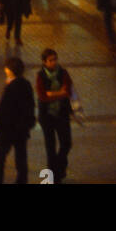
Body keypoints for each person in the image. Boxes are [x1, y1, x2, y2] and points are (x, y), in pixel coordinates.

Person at [0, 56, 35, 184]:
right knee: (21, 157)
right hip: (22, 129)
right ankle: (22, 180)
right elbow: (30, 106)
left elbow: (4, 110)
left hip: (8, 130)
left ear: (10, 70)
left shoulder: (11, 87)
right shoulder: (26, 84)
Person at [36, 47, 73, 182]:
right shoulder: (41, 76)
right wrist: (59, 93)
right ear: (44, 62)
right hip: (47, 116)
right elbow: (42, 96)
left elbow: (67, 91)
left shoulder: (63, 73)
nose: (54, 62)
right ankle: (53, 176)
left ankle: (58, 168)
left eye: (55, 59)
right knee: (50, 147)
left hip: (62, 114)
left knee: (66, 143)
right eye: (51, 60)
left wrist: (52, 93)